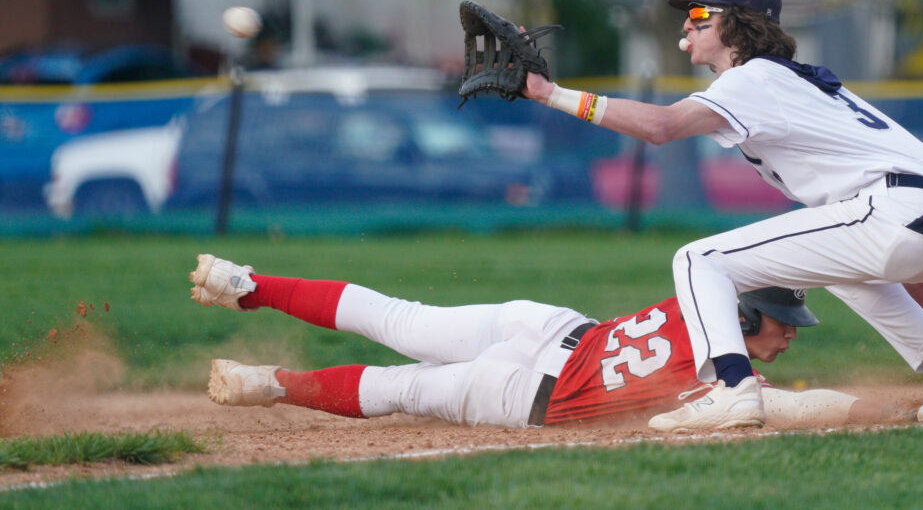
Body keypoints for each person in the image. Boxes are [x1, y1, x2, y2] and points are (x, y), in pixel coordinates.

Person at [520, 0, 923, 432]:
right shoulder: (795, 83)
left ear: (738, 24)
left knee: (700, 259)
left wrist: (549, 94)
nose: (688, 26)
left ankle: (731, 387)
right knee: (842, 274)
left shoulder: (753, 78)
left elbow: (660, 126)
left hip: (901, 214)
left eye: (700, 15)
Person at [189, 254, 886, 428]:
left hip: (549, 326)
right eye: (780, 323)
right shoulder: (725, 384)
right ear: (743, 319)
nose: (789, 336)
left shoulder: (701, 286)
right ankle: (269, 385)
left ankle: (244, 282)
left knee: (401, 319)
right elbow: (801, 407)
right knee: (400, 386)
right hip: (527, 393)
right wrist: (885, 411)